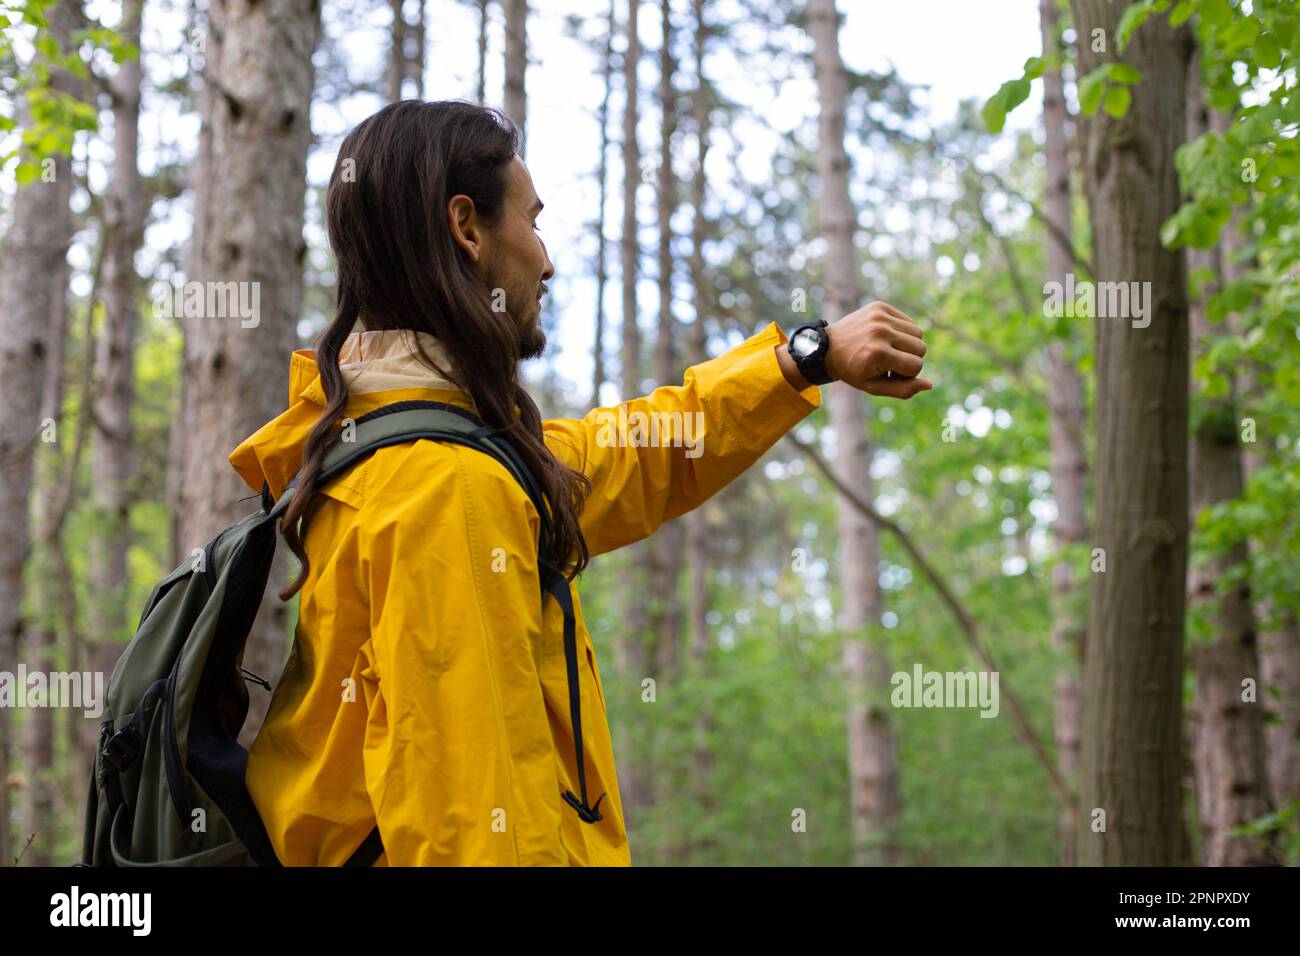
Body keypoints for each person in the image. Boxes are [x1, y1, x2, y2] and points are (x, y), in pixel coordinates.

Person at [231, 99, 931, 866]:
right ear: (467, 229)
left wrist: (805, 358)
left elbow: (634, 452)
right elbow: (479, 832)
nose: (549, 259)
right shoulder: (445, 487)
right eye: (532, 221)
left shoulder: (412, 445)